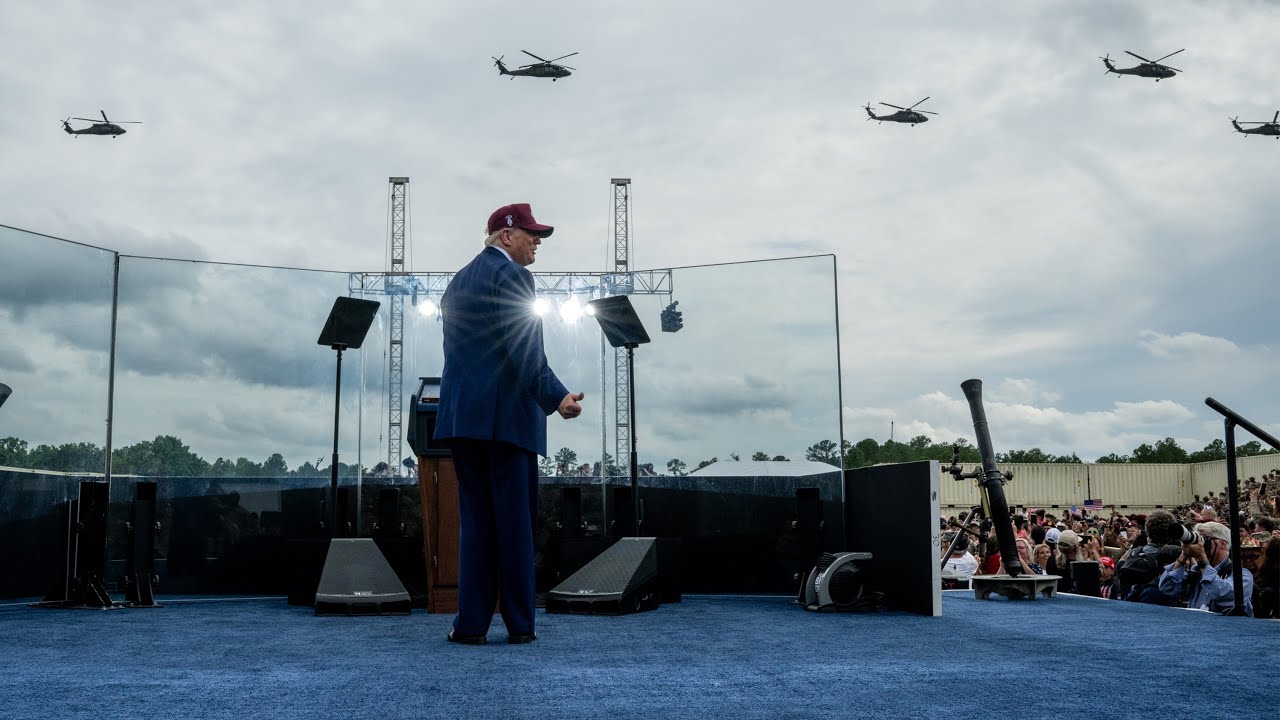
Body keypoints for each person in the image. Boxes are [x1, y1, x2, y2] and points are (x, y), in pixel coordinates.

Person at [434, 202, 585, 645]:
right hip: (506, 425)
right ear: (506, 236)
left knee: (476, 526)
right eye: (532, 235)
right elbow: (524, 350)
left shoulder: (458, 282)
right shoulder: (516, 277)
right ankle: (520, 626)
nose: (538, 242)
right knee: (516, 527)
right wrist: (557, 398)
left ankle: (470, 626)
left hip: (464, 421)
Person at [1157, 521, 1253, 616]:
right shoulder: (1196, 572)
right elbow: (1166, 587)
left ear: (1223, 544)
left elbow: (1222, 593)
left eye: (1204, 539)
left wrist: (1201, 558)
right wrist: (1184, 555)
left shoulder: (1241, 574)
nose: (1200, 544)